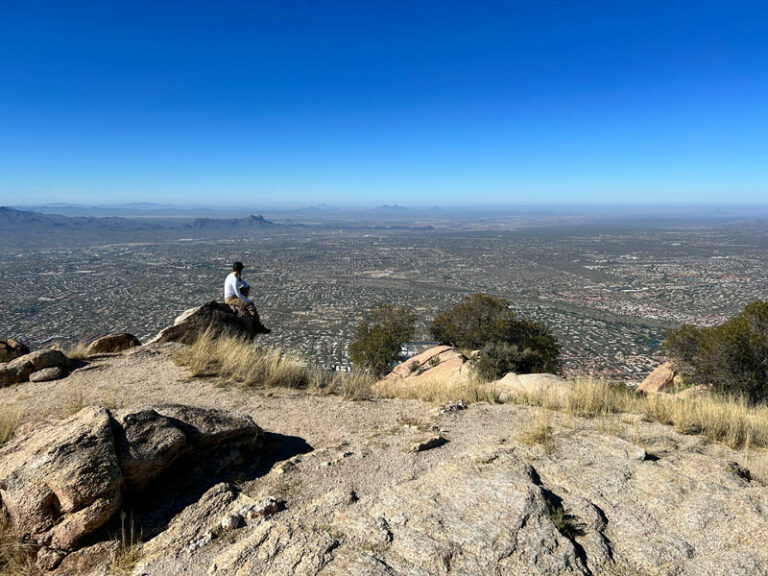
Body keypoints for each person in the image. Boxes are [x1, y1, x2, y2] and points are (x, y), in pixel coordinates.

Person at [224, 261, 270, 334]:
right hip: (231, 299)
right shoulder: (234, 279)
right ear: (239, 270)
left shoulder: (233, 276)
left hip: (232, 296)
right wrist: (248, 301)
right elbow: (238, 294)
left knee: (246, 288)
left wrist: (246, 286)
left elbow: (243, 283)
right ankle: (258, 326)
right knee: (251, 306)